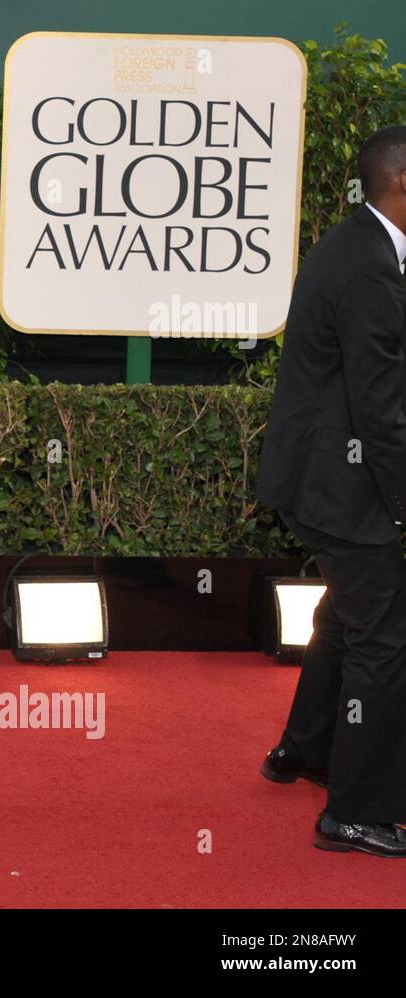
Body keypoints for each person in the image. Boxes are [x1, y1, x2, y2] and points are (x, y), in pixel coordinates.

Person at [256, 125, 406, 857]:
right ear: (403, 182)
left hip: (323, 477)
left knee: (347, 621)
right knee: (385, 638)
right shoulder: (371, 267)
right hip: (345, 487)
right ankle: (357, 811)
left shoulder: (359, 244)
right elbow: (380, 411)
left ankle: (305, 751)